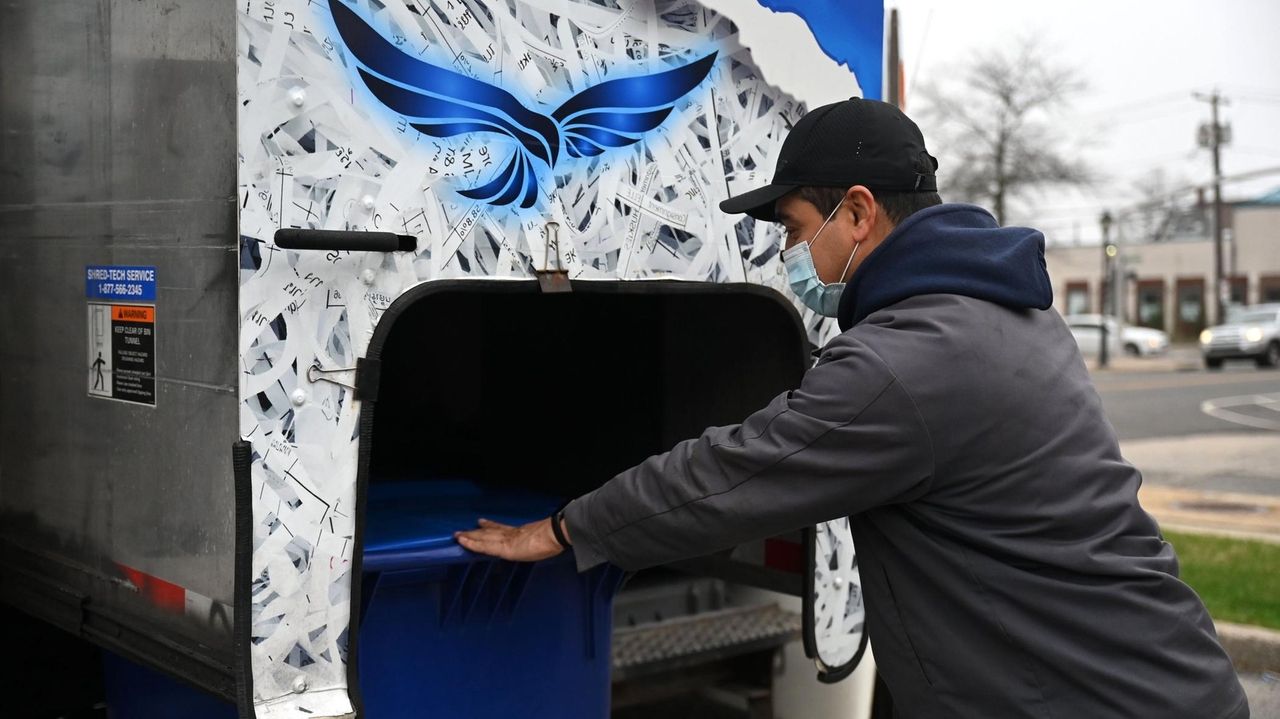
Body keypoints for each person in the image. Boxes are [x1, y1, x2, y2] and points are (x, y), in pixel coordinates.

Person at [456, 98, 1248, 718]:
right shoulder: (1008, 312)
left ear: (859, 213)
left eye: (797, 229)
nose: (790, 257)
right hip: (1154, 679)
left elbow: (731, 473)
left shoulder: (908, 361)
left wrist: (567, 527)